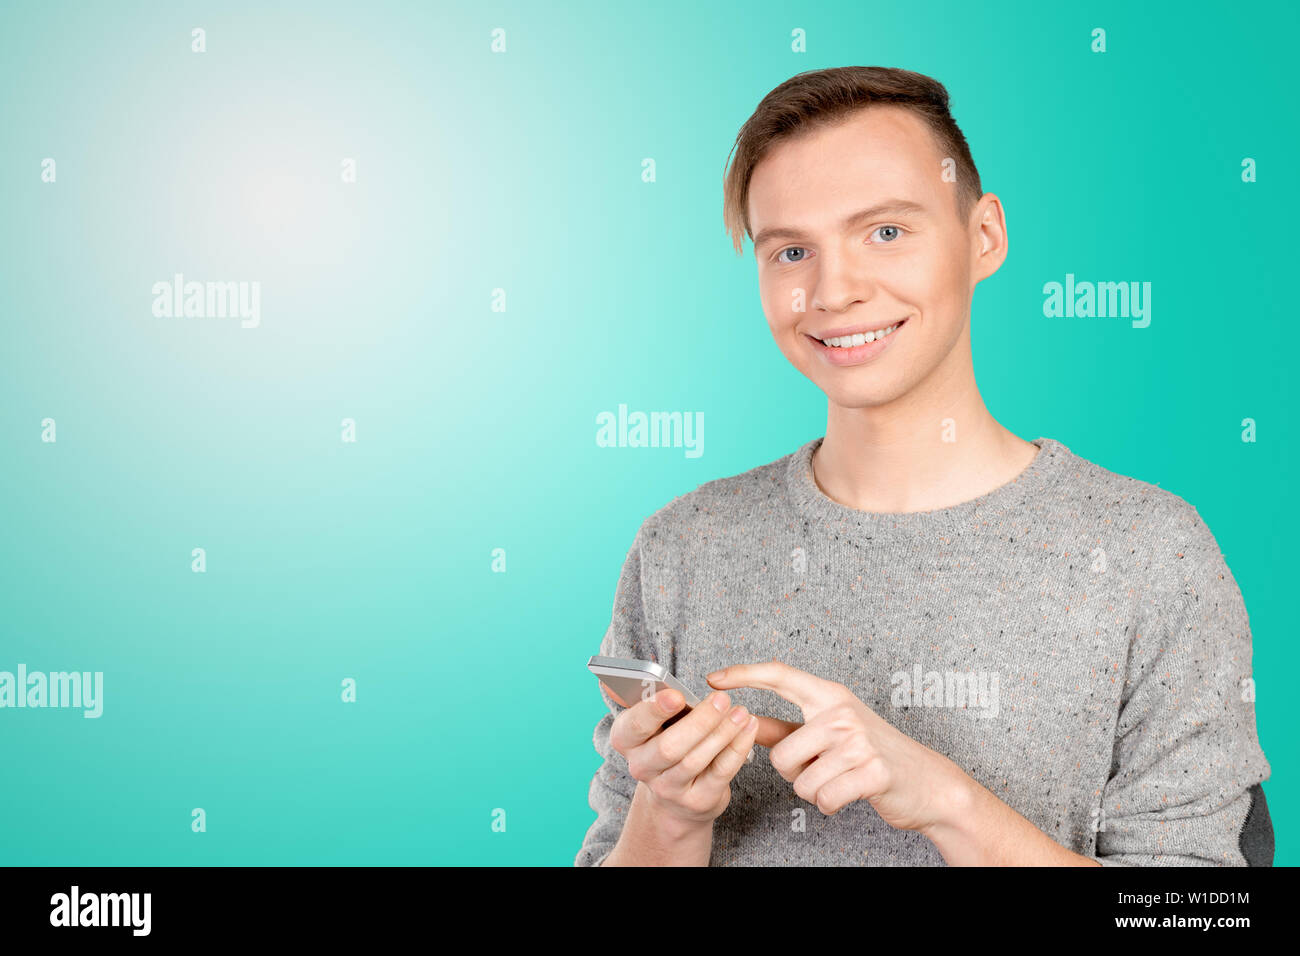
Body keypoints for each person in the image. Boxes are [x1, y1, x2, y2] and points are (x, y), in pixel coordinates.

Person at [575, 66, 1272, 867]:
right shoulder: (682, 547)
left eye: (886, 232)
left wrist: (946, 801)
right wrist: (671, 814)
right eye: (792, 250)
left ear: (985, 237)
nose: (834, 291)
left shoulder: (1151, 555)